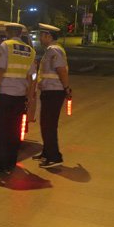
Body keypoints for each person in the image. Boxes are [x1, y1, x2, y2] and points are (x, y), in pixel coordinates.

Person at [0, 24, 36, 174]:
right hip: (20, 96)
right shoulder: (30, 50)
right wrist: (30, 96)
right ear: (20, 33)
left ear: (8, 32)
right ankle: (11, 162)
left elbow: (0, 70)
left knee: (2, 130)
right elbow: (32, 77)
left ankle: (2, 164)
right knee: (15, 130)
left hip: (5, 94)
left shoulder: (6, 46)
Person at [34, 23, 70, 168]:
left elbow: (61, 70)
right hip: (49, 91)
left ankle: (54, 157)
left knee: (49, 125)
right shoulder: (51, 50)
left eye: (41, 35)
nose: (40, 38)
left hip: (54, 92)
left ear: (48, 36)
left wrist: (67, 88)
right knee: (46, 124)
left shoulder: (54, 50)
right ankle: (47, 152)